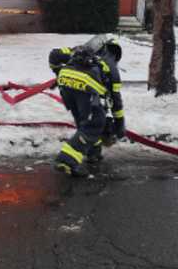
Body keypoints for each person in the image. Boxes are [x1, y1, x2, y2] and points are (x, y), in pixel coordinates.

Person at [51, 33, 126, 177]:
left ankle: (93, 154)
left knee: (84, 122)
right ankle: (66, 160)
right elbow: (116, 101)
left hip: (66, 83)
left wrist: (57, 73)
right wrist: (119, 124)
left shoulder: (79, 51)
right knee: (95, 122)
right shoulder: (111, 66)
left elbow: (54, 55)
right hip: (86, 88)